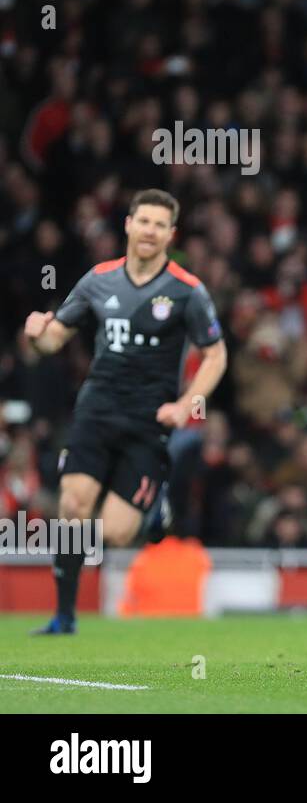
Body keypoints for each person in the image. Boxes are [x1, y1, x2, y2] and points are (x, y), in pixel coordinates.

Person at [26, 189, 227, 634]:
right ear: (128, 225)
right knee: (72, 504)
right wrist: (37, 333)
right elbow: (55, 337)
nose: (150, 231)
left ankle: (153, 510)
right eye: (144, 221)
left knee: (116, 534)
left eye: (160, 224)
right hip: (96, 410)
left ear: (170, 234)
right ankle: (64, 616)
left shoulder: (187, 291)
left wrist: (186, 404)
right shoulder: (99, 280)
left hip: (147, 421)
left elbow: (215, 355)